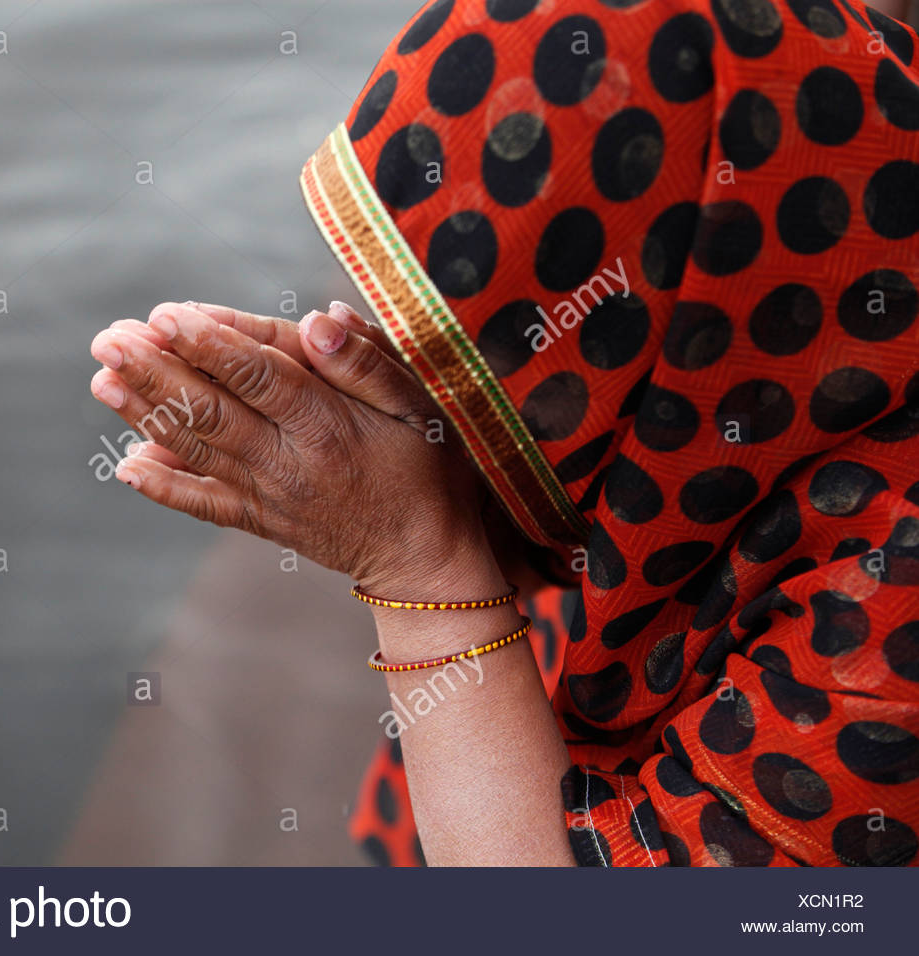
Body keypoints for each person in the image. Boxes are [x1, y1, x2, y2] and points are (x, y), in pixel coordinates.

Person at [89, 0, 919, 866]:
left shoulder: (891, 610)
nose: (451, 386)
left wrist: (419, 562)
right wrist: (475, 494)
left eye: (495, 354)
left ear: (679, 344)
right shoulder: (822, 292)